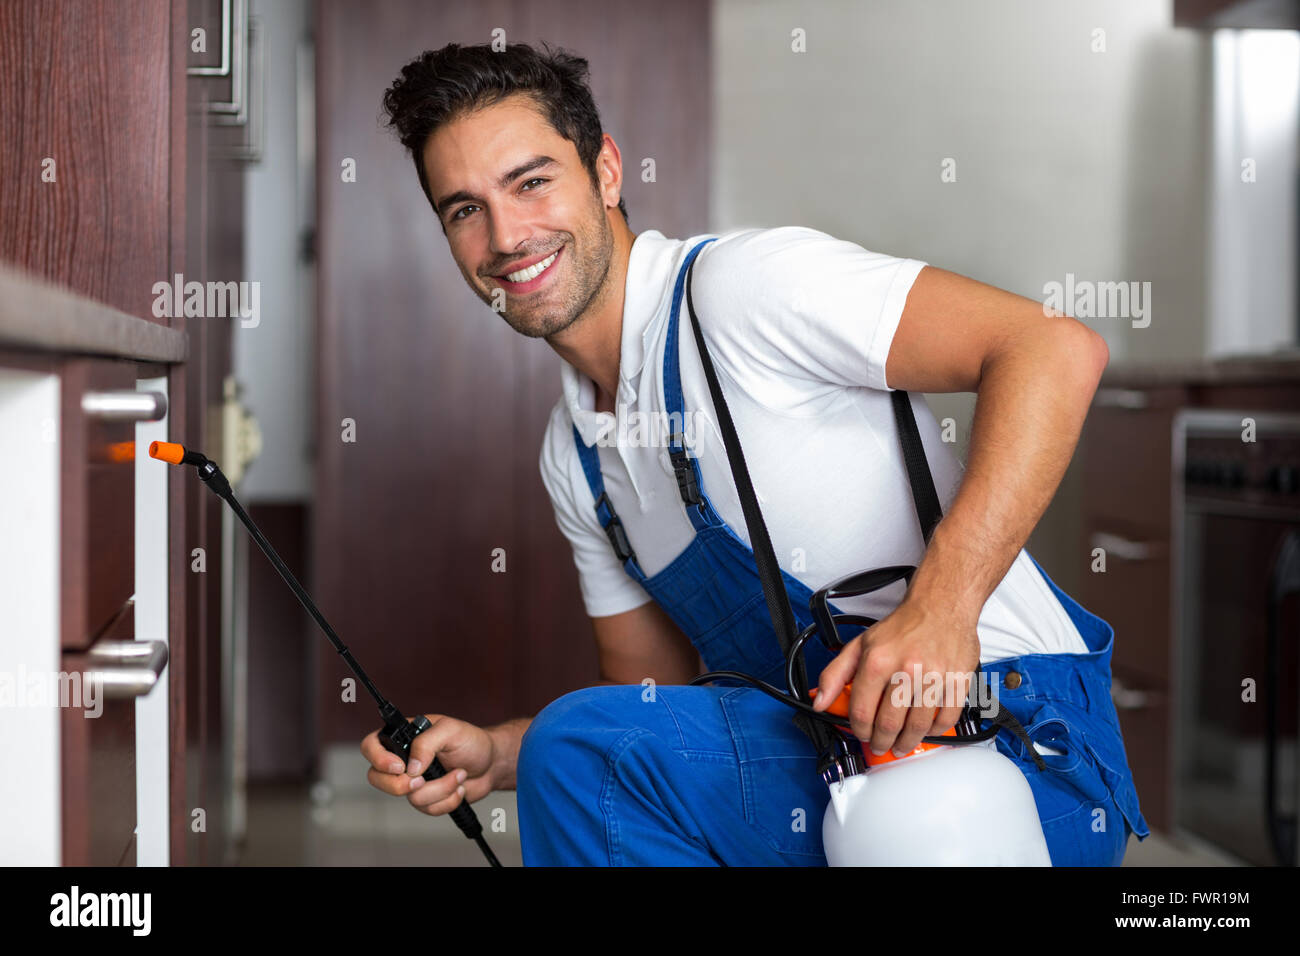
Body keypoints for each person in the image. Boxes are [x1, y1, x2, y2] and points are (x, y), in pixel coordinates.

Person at [361, 40, 1150, 866]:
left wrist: (942, 611)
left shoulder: (741, 291)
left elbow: (1051, 349)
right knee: (577, 749)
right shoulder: (576, 457)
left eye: (531, 182)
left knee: (582, 751)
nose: (507, 235)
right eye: (464, 209)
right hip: (838, 765)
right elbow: (655, 708)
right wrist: (502, 754)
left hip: (1010, 748)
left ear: (605, 171)